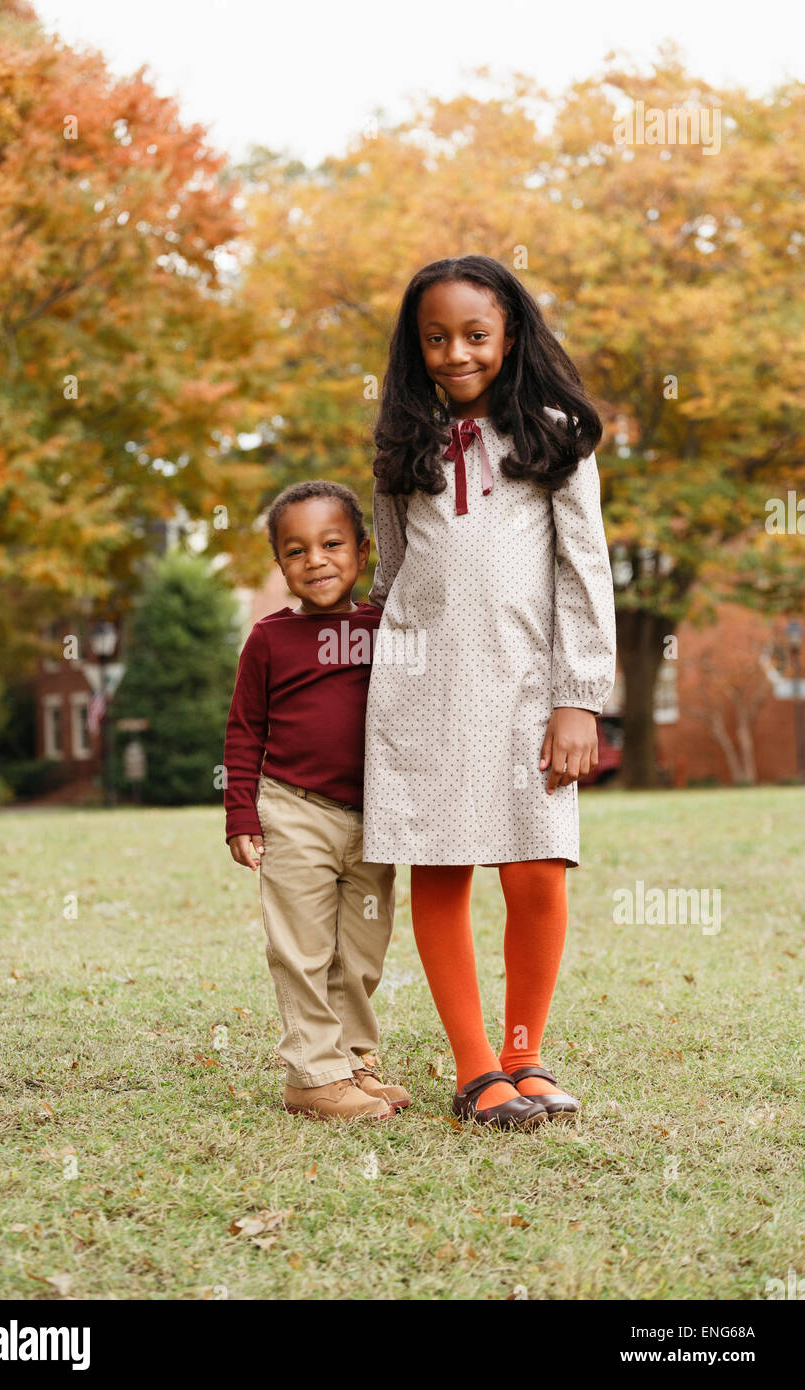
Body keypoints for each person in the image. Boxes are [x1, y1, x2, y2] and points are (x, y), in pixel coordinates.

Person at [362, 255, 617, 1130]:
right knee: (441, 864)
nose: (456, 353)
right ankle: (477, 1073)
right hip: (422, 683)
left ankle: (523, 1054)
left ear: (510, 335)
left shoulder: (555, 434)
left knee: (538, 868)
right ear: (416, 347)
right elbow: (393, 570)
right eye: (436, 338)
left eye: (475, 334)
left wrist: (578, 696)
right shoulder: (402, 446)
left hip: (527, 685)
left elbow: (584, 571)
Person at [223, 479, 409, 1121]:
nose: (316, 561)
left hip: (376, 816)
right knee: (301, 946)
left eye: (332, 544)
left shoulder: (387, 626)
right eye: (296, 551)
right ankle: (310, 1074)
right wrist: (240, 813)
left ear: (362, 551)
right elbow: (243, 729)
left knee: (360, 947)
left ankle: (353, 1060)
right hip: (295, 809)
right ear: (280, 566)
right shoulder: (270, 640)